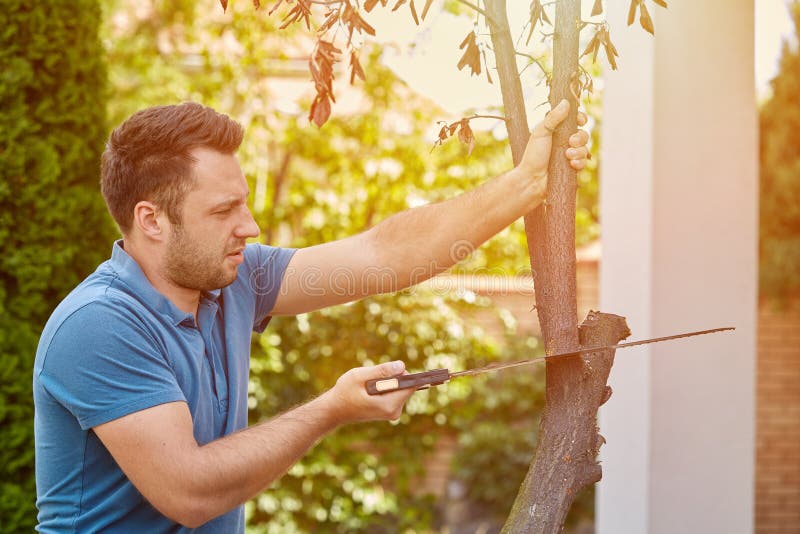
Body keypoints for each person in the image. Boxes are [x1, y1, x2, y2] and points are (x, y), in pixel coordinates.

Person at [33, 100, 589, 532]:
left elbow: (385, 256)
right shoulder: (98, 324)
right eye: (224, 211)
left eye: (244, 202)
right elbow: (190, 493)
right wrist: (330, 410)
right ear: (151, 220)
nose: (250, 227)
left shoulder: (237, 280)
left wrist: (524, 185)